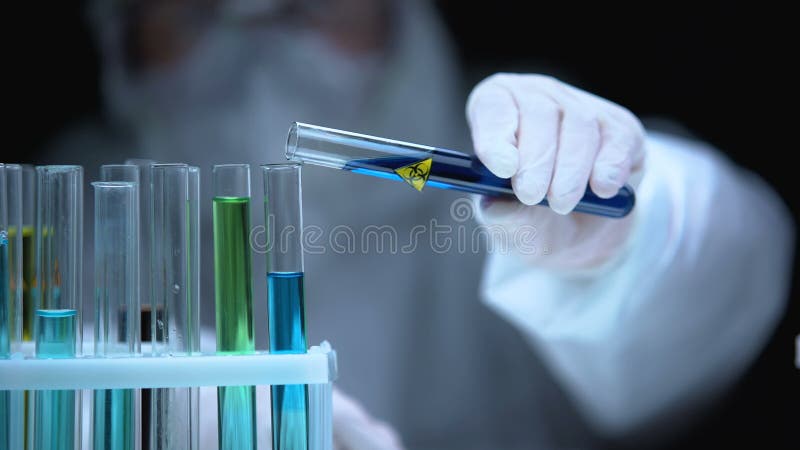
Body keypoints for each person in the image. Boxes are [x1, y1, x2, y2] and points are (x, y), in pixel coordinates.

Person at [42, 0, 793, 448]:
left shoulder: (513, 143)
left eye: (311, 1)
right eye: (191, 8)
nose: (257, 33)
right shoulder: (70, 200)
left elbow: (736, 265)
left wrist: (630, 242)